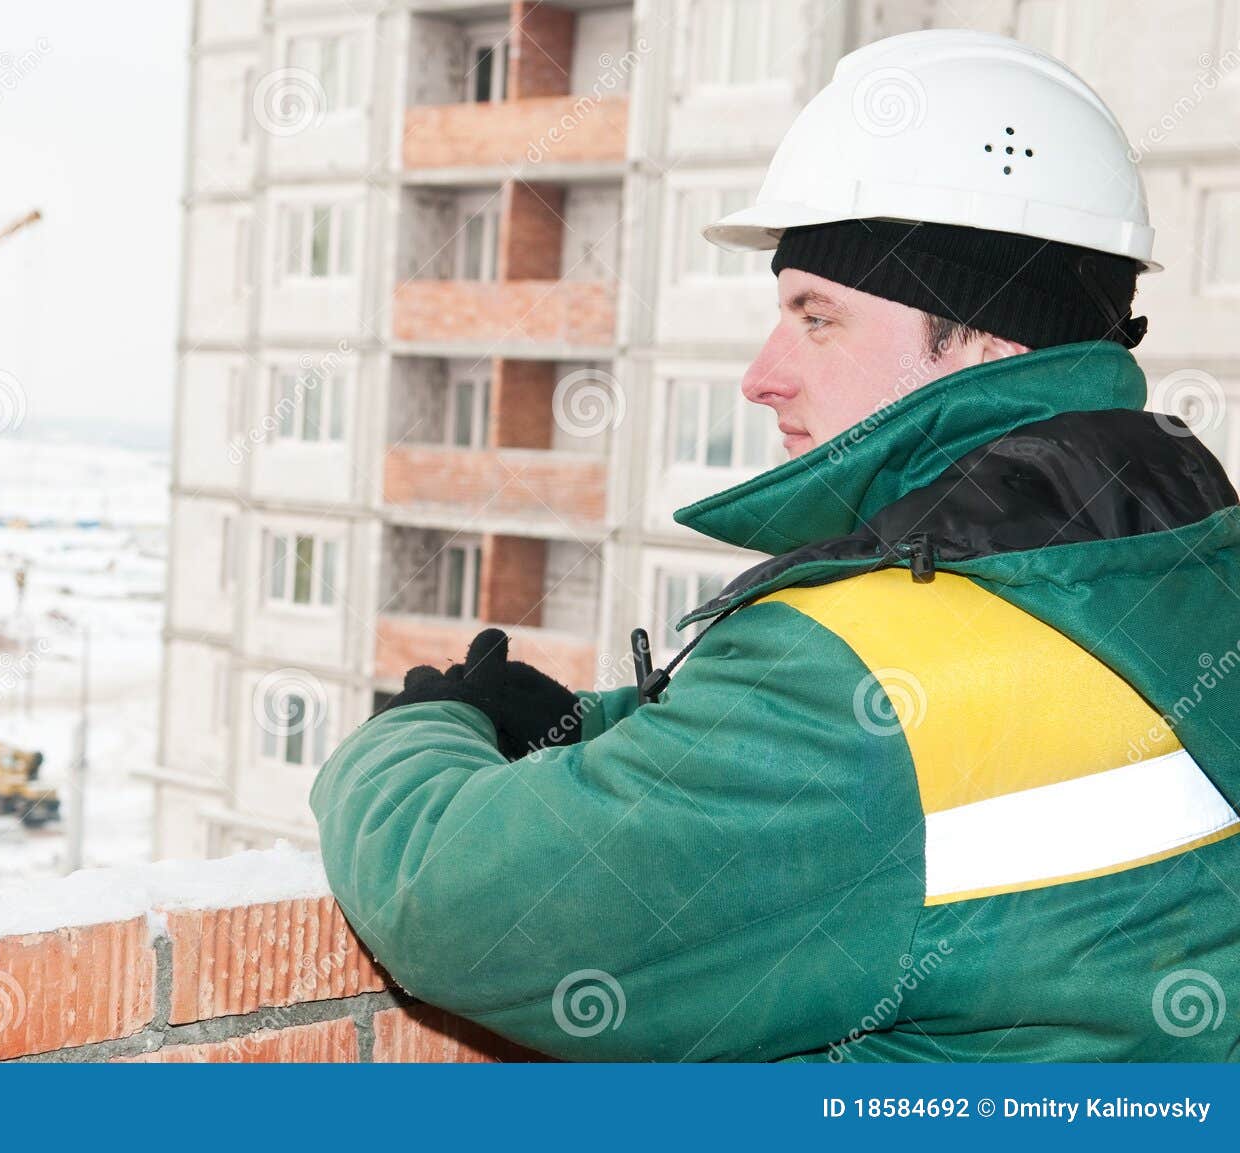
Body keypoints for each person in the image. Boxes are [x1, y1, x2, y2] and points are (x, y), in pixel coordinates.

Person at [310, 29, 1240, 1060]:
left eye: (816, 316)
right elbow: (879, 775)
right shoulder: (1173, 554)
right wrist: (583, 724)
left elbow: (453, 905)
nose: (761, 375)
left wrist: (420, 728)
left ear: (984, 336)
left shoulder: (856, 678)